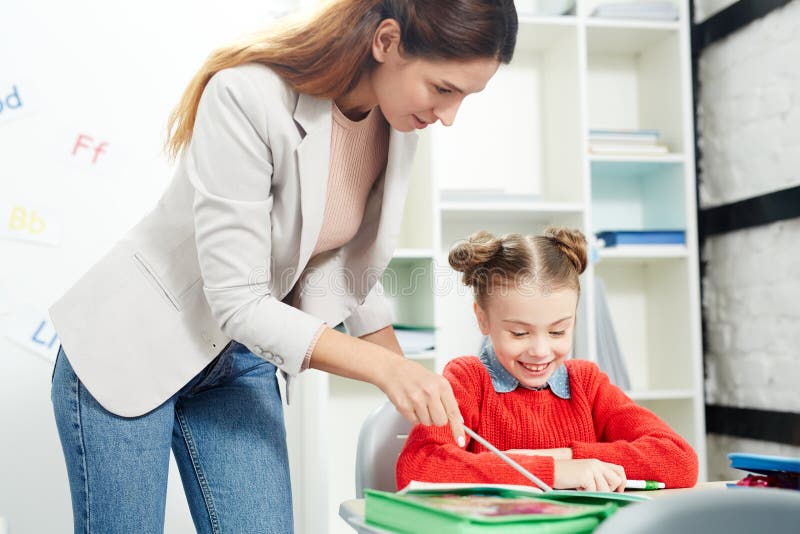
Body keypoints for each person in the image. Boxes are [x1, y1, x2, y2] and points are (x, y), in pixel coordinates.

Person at [48, 1, 518, 532]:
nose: (449, 116)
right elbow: (239, 299)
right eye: (443, 89)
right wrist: (387, 371)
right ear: (386, 42)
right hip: (134, 345)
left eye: (465, 98)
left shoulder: (398, 123)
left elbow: (344, 259)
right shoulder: (246, 95)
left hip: (240, 358)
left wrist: (412, 384)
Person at [396, 228, 699, 493]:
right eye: (519, 333)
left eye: (557, 331)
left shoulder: (586, 383)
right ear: (482, 319)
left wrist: (565, 457)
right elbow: (418, 467)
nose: (540, 350)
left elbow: (679, 459)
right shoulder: (468, 380)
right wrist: (553, 472)